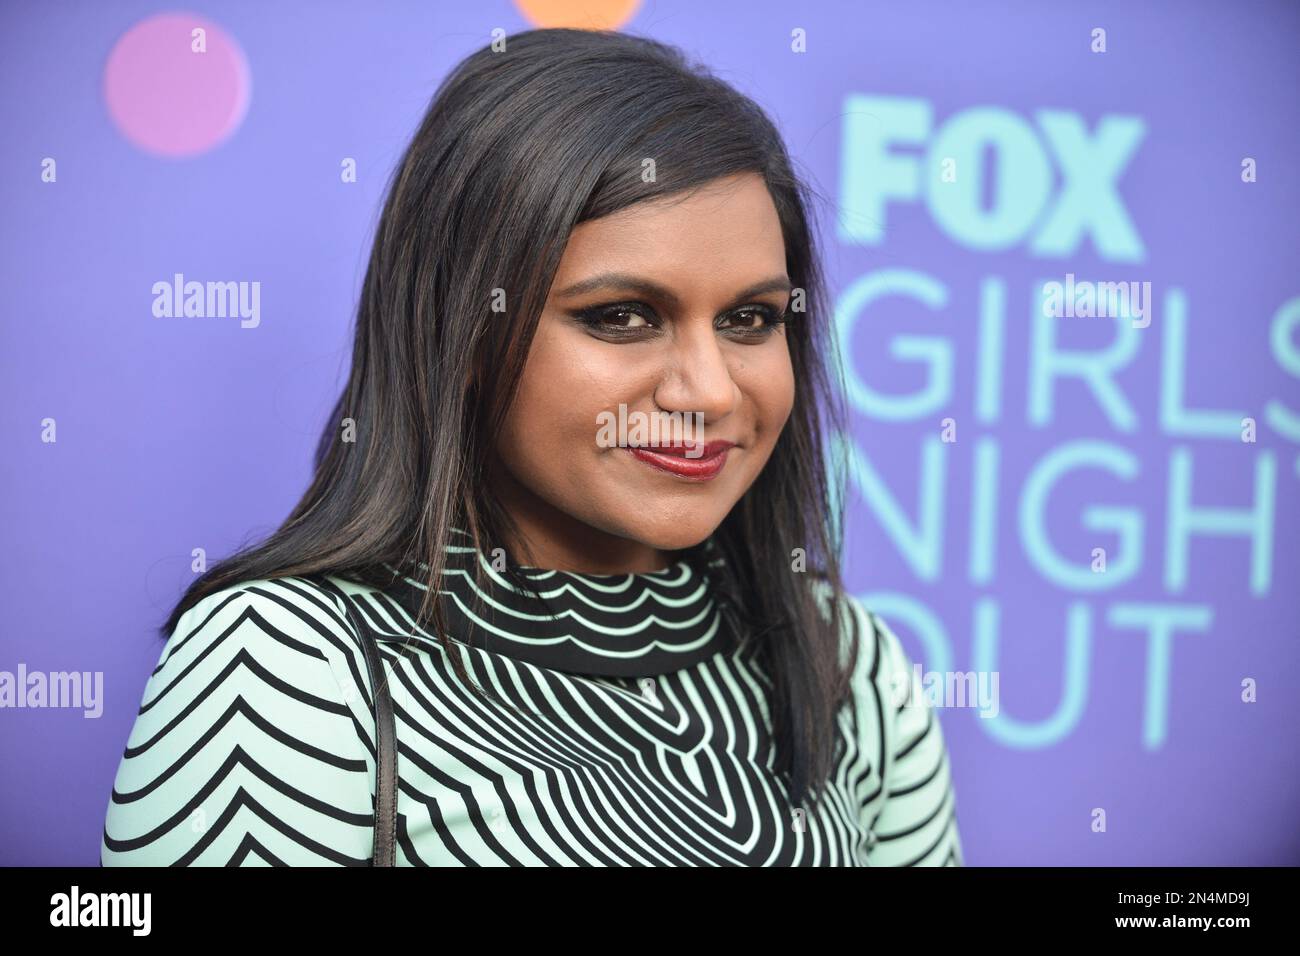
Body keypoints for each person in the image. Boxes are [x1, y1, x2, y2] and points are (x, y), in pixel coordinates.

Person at [101, 27, 964, 866]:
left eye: (750, 319)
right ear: (461, 333)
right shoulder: (286, 661)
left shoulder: (845, 662)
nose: (708, 391)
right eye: (622, 316)